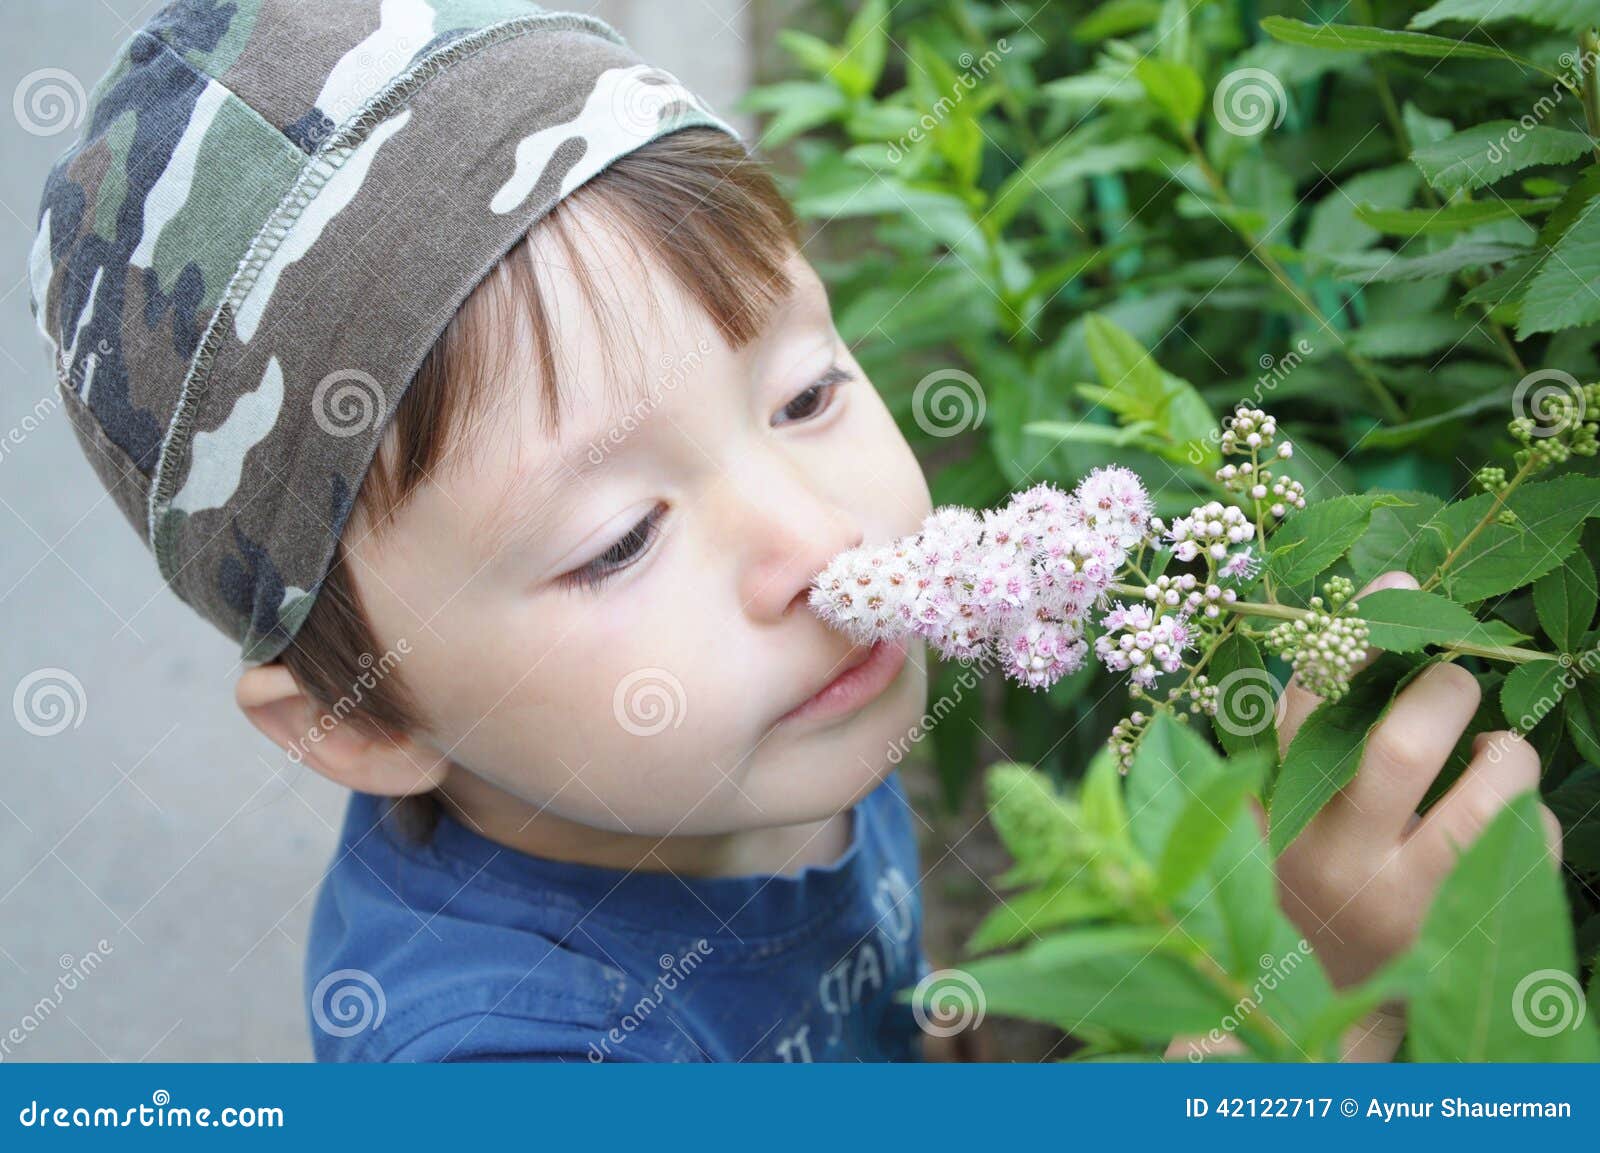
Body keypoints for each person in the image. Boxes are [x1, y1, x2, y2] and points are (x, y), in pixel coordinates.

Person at [29, 0, 1554, 1062]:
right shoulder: (512, 1067)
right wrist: (1306, 986)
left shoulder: (744, 727)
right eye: (620, 538)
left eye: (810, 391)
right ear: (358, 724)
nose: (817, 547)